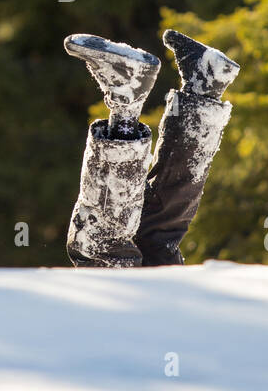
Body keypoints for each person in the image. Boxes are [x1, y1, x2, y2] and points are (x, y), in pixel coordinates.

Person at [64, 29, 240, 267]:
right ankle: (128, 99)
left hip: (166, 286)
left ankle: (204, 88)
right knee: (104, 249)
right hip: (145, 291)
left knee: (156, 239)